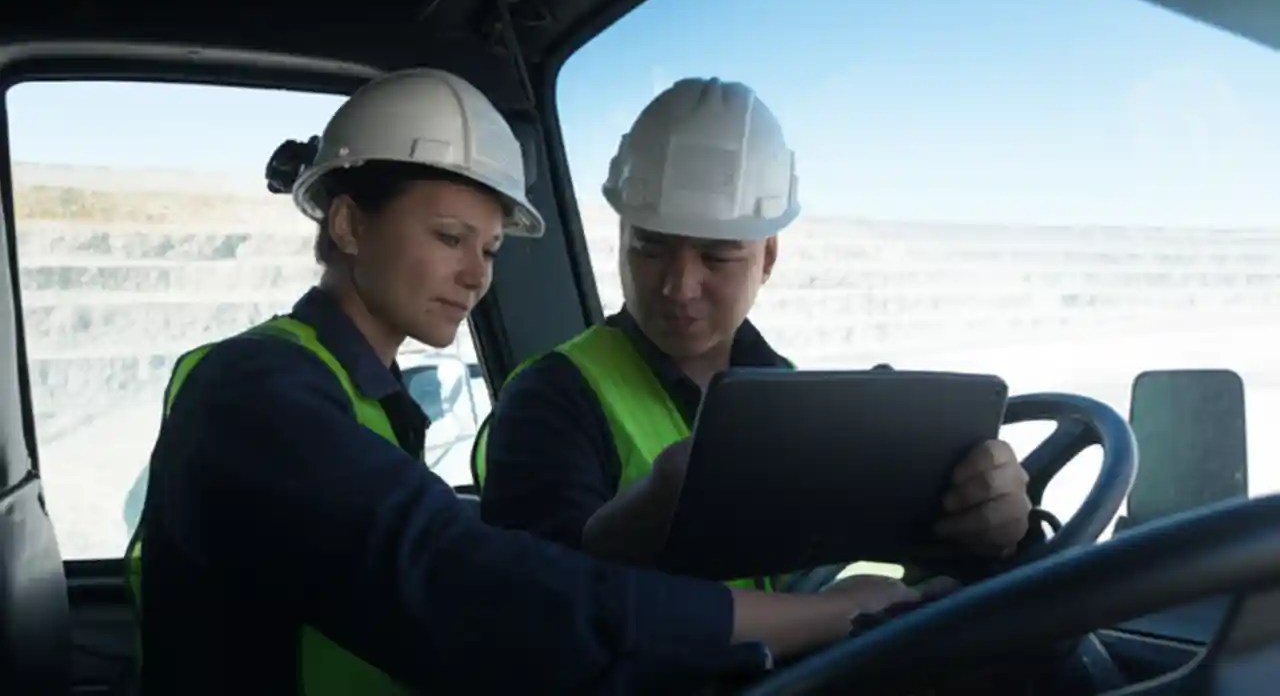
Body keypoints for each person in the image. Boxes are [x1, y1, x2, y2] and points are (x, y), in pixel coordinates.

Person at [123, 68, 928, 696]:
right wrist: (826, 615)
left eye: (491, 248)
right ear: (347, 223)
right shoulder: (256, 393)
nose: (476, 275)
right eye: (448, 237)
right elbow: (477, 593)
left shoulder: (358, 397)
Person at [474, 77, 1033, 589]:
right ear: (621, 237)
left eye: (717, 257)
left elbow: (901, 554)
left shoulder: (792, 396)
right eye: (650, 247)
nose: (679, 286)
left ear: (767, 259)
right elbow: (545, 610)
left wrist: (991, 525)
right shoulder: (550, 398)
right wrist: (658, 504)